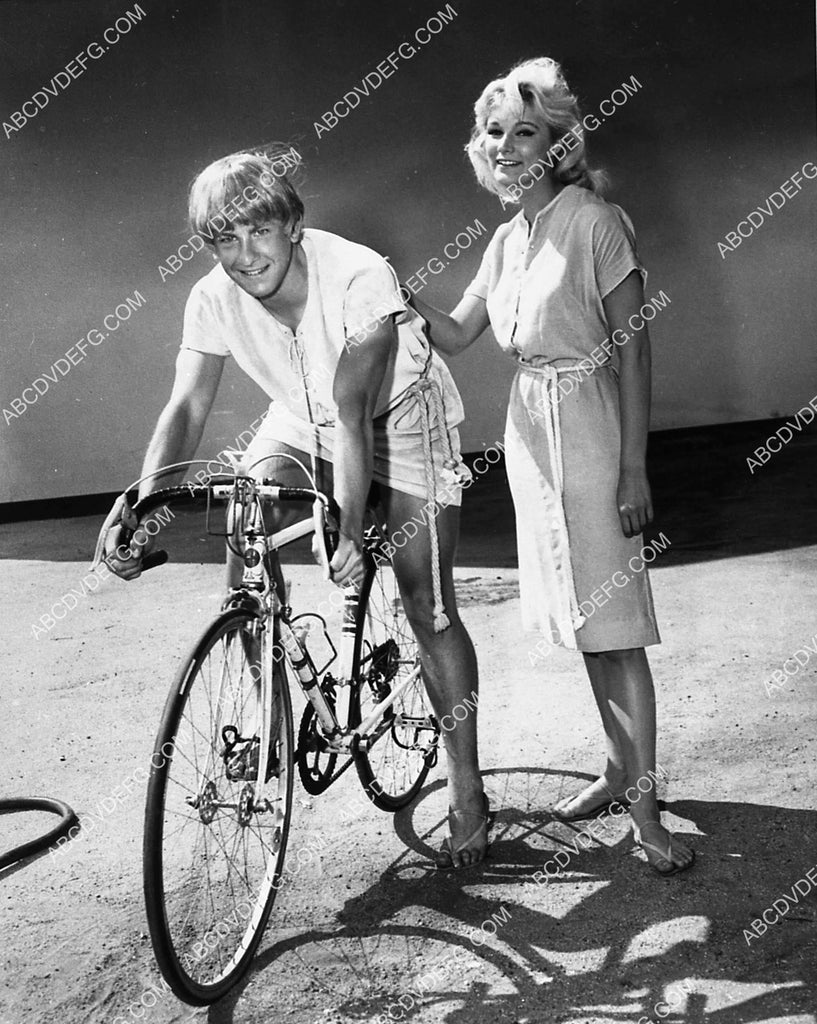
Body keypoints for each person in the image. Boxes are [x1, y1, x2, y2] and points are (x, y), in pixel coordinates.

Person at [102, 147, 490, 869]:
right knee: (246, 529)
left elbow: (353, 412)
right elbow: (187, 402)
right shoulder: (212, 297)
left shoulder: (360, 277)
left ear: (293, 225)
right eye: (224, 239)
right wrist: (140, 498)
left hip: (402, 416)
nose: (245, 256)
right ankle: (272, 717)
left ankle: (466, 789)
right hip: (299, 417)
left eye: (259, 233)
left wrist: (342, 520)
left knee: (425, 603)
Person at [410, 59, 693, 875]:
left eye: (522, 131)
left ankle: (644, 813)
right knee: (582, 624)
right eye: (493, 132)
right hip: (531, 433)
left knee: (615, 631)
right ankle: (615, 771)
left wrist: (632, 470)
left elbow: (634, 354)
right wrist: (380, 288)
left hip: (593, 429)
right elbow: (457, 333)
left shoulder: (595, 222)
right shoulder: (506, 239)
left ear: (559, 142)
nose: (503, 146)